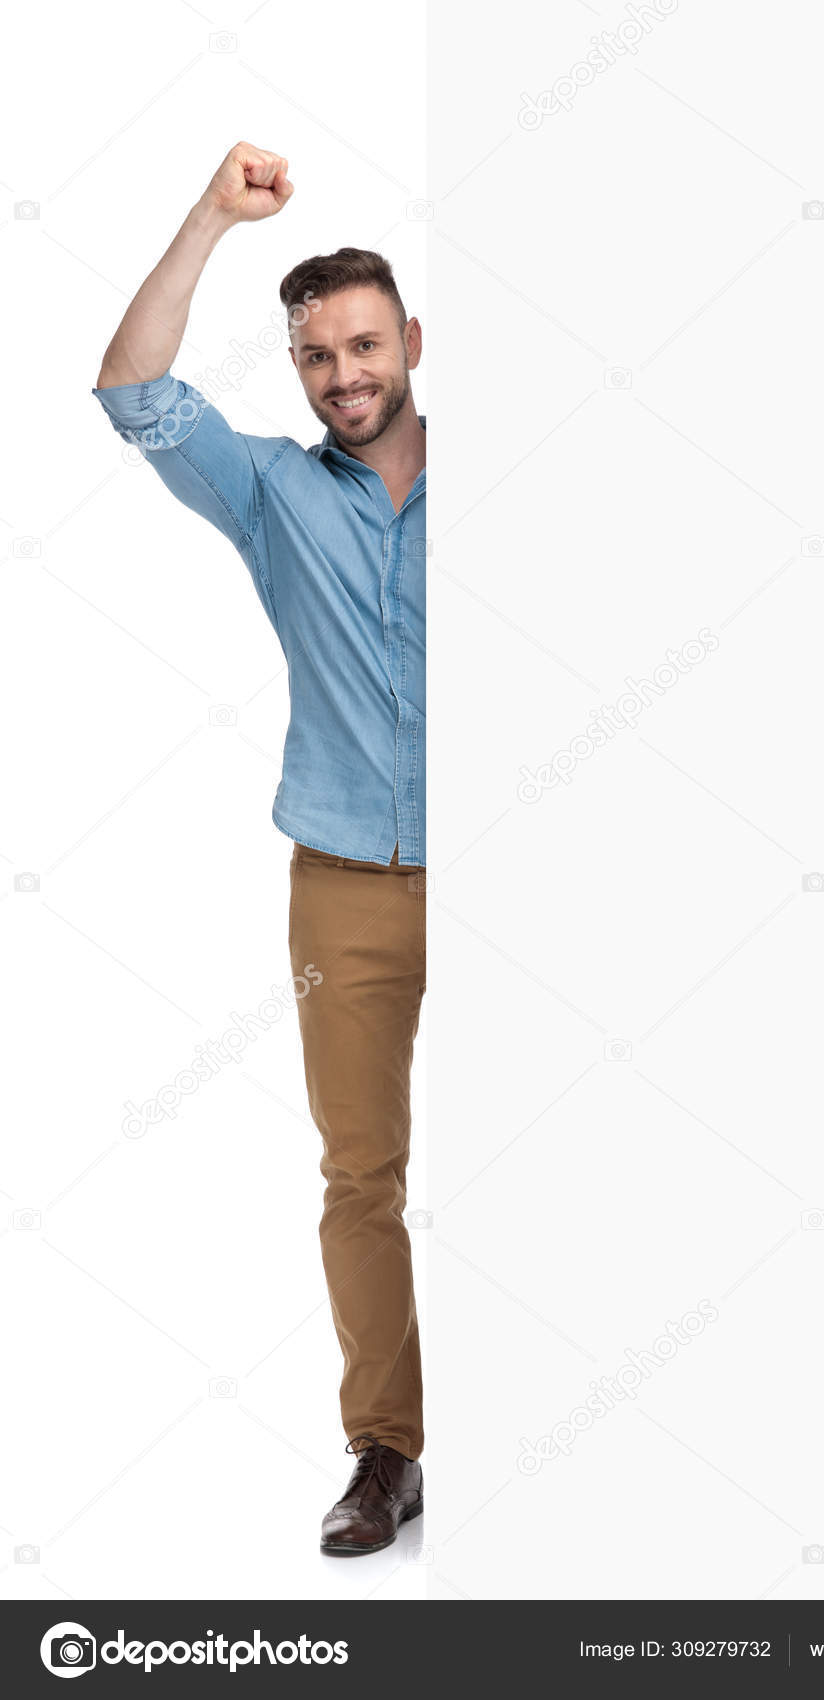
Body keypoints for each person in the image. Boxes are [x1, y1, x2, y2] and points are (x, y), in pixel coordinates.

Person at [93, 142, 427, 1556]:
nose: (344, 376)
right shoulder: (273, 494)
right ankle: (387, 1448)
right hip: (343, 881)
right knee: (361, 1175)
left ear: (412, 344)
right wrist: (210, 219)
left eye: (364, 346)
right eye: (316, 357)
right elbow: (131, 388)